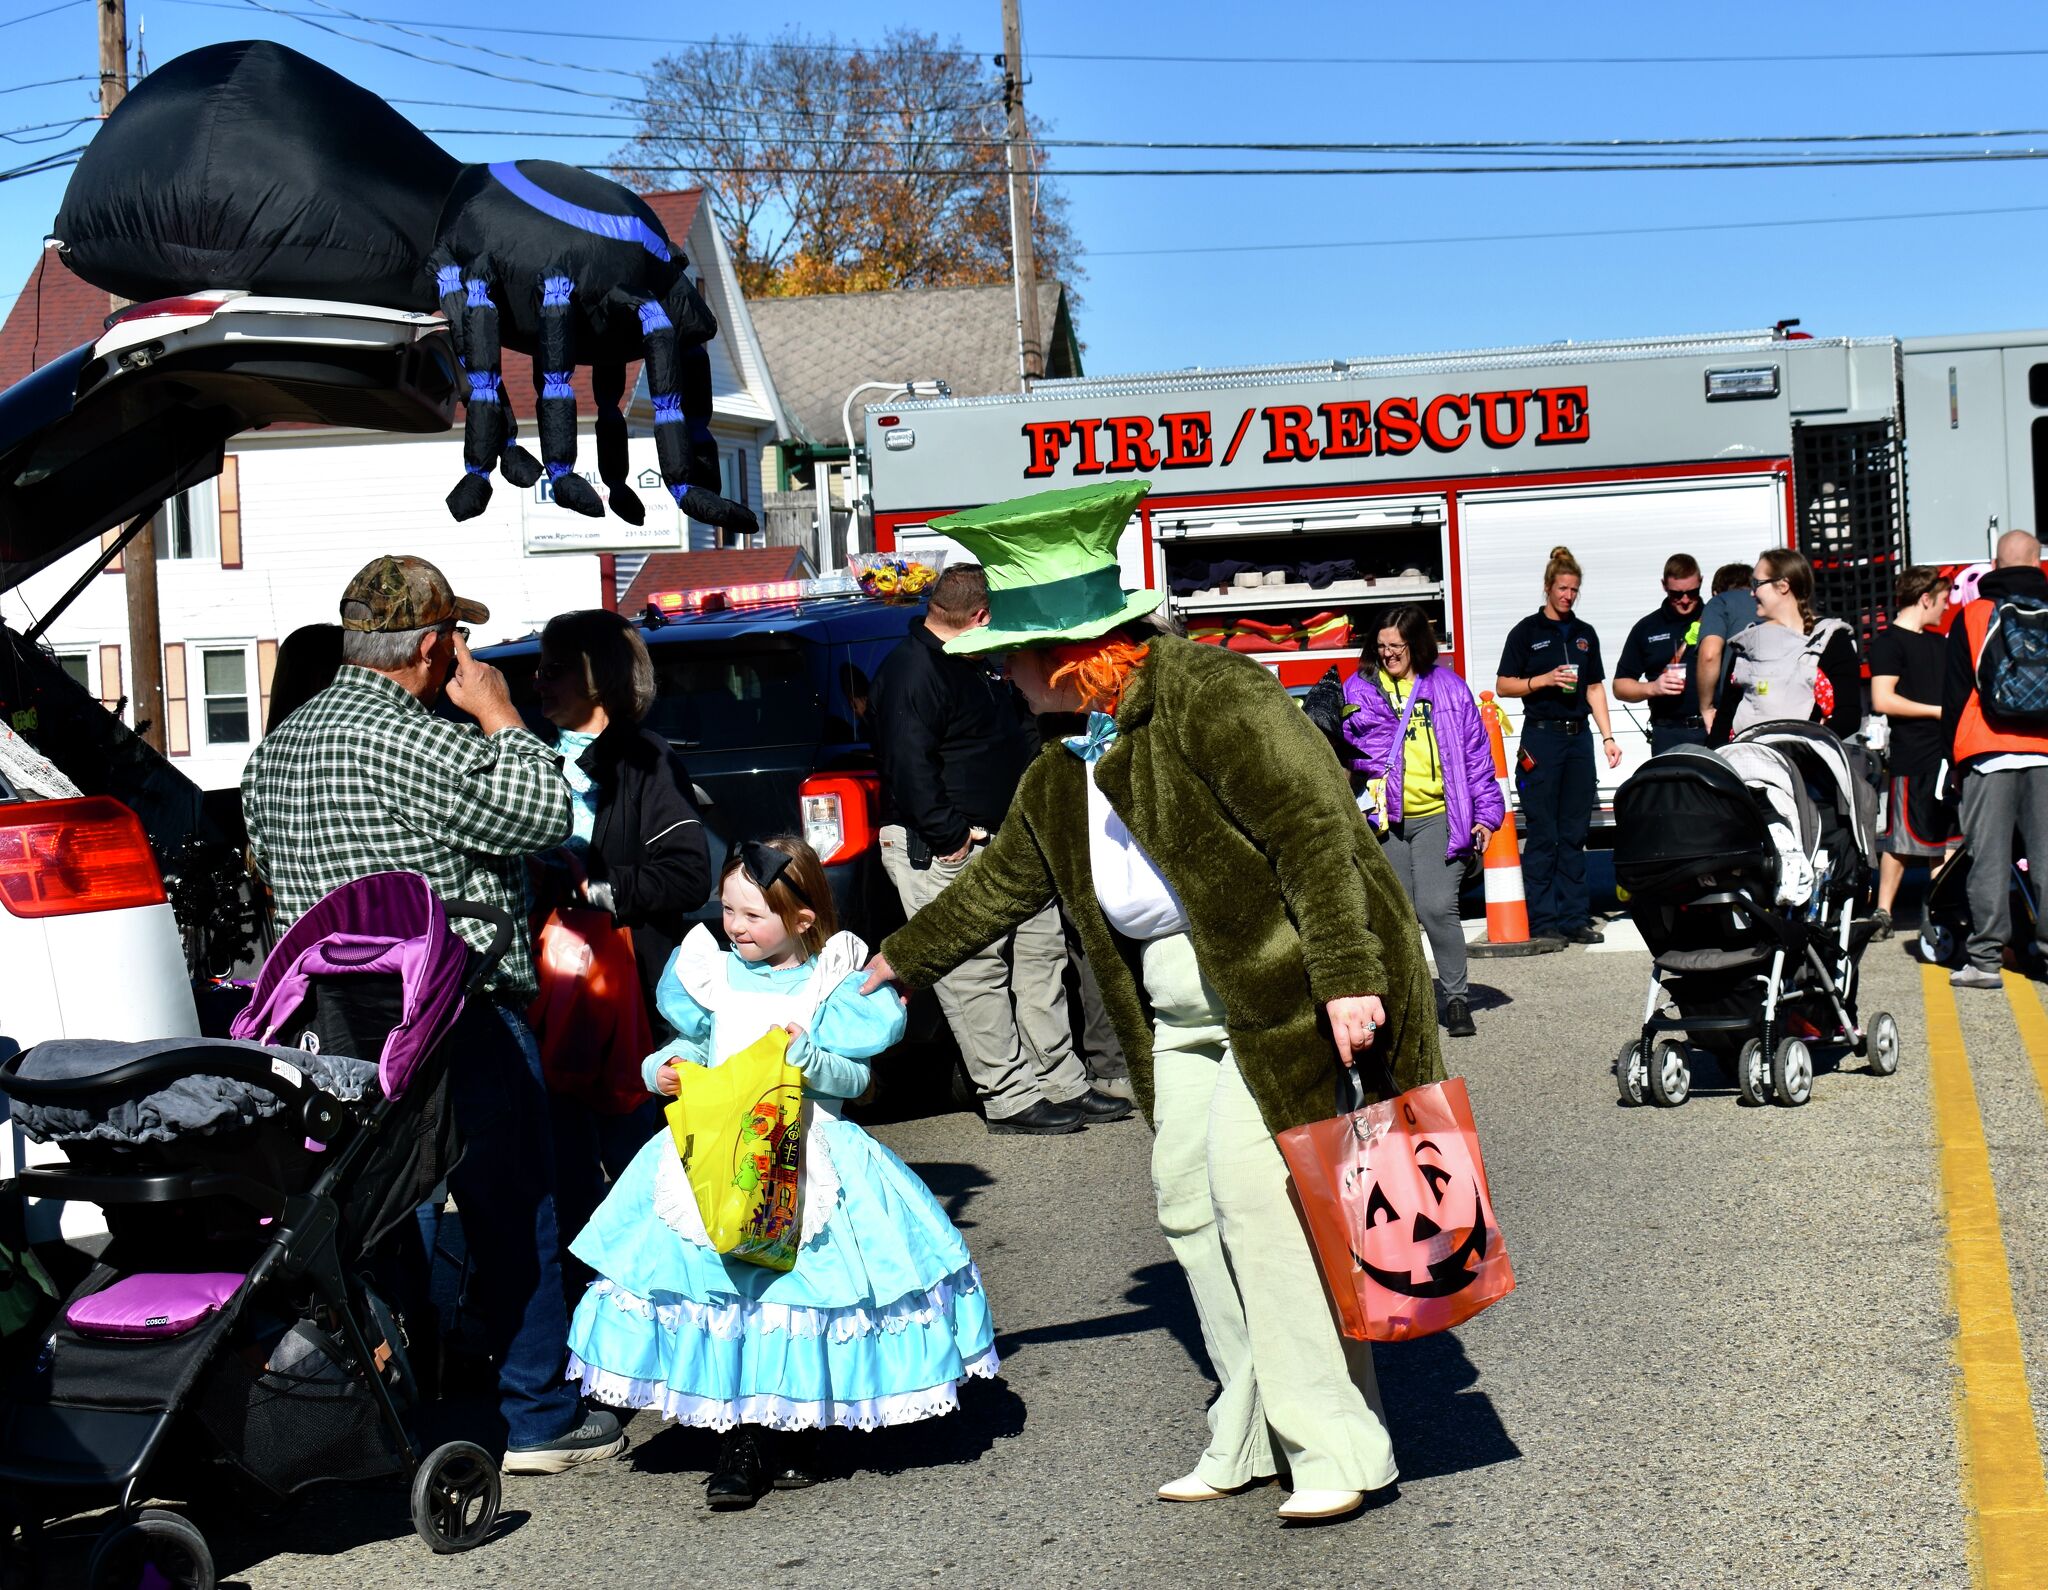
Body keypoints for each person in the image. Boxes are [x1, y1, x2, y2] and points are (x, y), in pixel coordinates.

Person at [864, 480, 1443, 1525]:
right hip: (1175, 1015)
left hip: (1281, 991)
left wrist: (1348, 976)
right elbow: (1001, 886)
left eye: (1005, 655)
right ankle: (1249, 1427)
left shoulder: (1213, 696)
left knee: (1256, 1206)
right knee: (1186, 1206)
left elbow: (1315, 833)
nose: (994, 673)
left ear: (1067, 653)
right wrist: (891, 962)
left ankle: (1338, 1446)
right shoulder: (1060, 757)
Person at [241, 554, 625, 1476]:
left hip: (335, 1021)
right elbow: (545, 816)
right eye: (458, 637)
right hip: (454, 1009)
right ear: (428, 645)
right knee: (511, 1202)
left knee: (379, 1216)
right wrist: (499, 715)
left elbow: (264, 857)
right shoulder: (411, 738)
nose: (466, 653)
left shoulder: (281, 747)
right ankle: (536, 1414)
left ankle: (400, 1408)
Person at [564, 836, 997, 1510]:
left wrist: (811, 1062)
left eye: (752, 916)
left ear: (801, 920)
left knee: (795, 1298)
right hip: (721, 1154)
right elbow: (693, 1045)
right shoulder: (712, 972)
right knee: (725, 1291)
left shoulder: (833, 979)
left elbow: (856, 1076)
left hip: (807, 1148)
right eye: (728, 911)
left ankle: (794, 1428)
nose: (734, 927)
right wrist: (662, 1071)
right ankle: (742, 1439)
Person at [870, 560, 1128, 1135]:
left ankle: (1060, 1081)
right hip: (945, 846)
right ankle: (1009, 1096)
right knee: (973, 970)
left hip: (1008, 838)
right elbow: (907, 766)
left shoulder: (976, 665)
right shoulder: (911, 672)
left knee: (1042, 954)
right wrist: (950, 837)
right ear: (980, 617)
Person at [530, 608, 712, 1278]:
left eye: (555, 669)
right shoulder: (529, 758)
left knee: (643, 1161)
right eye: (538, 667)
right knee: (564, 1170)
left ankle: (663, 1292)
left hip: (630, 1001)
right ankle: (589, 1304)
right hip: (546, 996)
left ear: (598, 678)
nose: (539, 681)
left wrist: (591, 887)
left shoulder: (643, 759)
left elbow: (689, 874)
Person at [1341, 606, 1503, 1040]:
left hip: (1439, 816)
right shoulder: (1360, 688)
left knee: (1435, 907)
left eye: (1398, 647)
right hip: (1384, 819)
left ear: (1417, 645)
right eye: (1381, 647)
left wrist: (1486, 815)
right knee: (1396, 916)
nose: (1389, 655)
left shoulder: (1448, 688)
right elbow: (1347, 752)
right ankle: (1404, 1000)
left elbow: (1476, 756)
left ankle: (1454, 998)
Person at [1494, 546, 1622, 945]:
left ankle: (1574, 917)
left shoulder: (1585, 634)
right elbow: (1503, 684)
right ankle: (1543, 920)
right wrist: (1543, 680)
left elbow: (1596, 687)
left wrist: (1608, 737)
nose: (1568, 595)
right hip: (1541, 736)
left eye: (1574, 590)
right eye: (1563, 588)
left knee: (1574, 832)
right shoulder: (1527, 632)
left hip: (1578, 737)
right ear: (1548, 587)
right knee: (1543, 831)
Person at [1939, 528, 2048, 989]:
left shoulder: (1973, 614)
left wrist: (1955, 759)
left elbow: (1955, 694)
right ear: (2039, 561)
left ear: (1995, 564)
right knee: (2046, 858)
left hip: (1986, 749)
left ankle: (1985, 961)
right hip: (2044, 752)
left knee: (1987, 856)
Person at [1869, 567, 1957, 938]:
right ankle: (1883, 913)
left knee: (1947, 840)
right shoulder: (1889, 642)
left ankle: (1941, 908)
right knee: (1902, 840)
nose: (1946, 606)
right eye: (1942, 599)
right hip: (1912, 754)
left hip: (1946, 756)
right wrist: (1937, 711)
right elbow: (1882, 698)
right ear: (1925, 599)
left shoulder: (1941, 643)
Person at [1708, 549, 1861, 745]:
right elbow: (1725, 718)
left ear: (1783, 585)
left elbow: (1848, 716)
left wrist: (1804, 747)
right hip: (1745, 765)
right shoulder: (1748, 643)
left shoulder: (1831, 639)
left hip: (1803, 768)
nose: (1752, 593)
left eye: (1757, 584)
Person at [1613, 554, 1708, 753]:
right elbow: (1620, 686)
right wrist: (1653, 688)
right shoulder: (1647, 628)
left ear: (1701, 582)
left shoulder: (1717, 620)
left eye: (1693, 592)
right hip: (1668, 732)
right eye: (1677, 594)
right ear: (1664, 586)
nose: (1685, 600)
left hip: (1712, 730)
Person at [1696, 561, 1760, 734]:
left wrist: (1706, 707)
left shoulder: (1719, 602)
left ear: (1715, 592)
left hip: (1737, 705)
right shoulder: (1769, 602)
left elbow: (1709, 654)